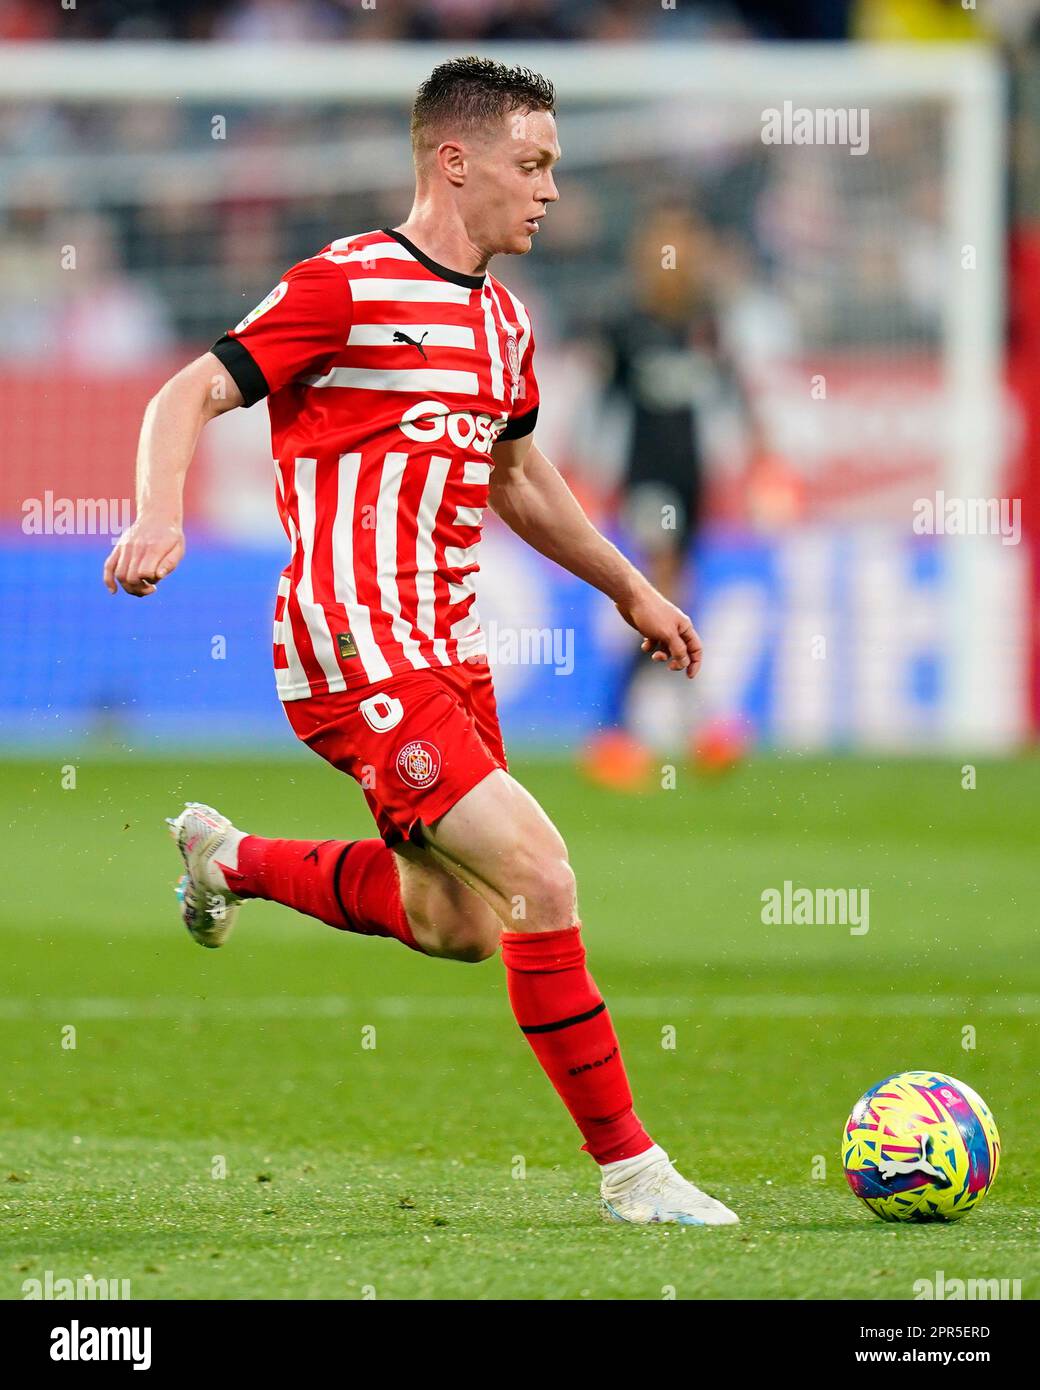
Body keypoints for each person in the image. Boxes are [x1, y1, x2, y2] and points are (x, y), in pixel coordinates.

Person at [103, 55, 737, 1228]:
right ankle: (633, 1173)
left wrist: (628, 590)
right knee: (542, 872)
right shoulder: (343, 284)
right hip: (350, 644)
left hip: (447, 651)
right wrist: (156, 510)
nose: (549, 191)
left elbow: (517, 475)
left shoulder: (502, 322)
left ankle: (227, 860)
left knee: (462, 923)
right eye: (531, 164)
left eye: (553, 166)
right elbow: (184, 392)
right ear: (455, 161)